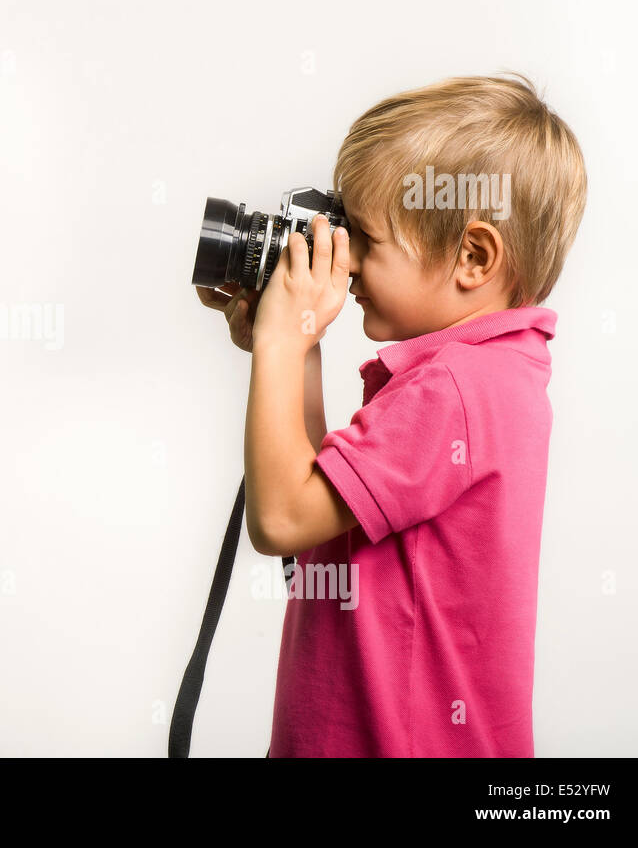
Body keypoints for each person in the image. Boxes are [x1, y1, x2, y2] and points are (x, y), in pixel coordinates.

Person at [197, 73, 587, 756]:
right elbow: (315, 535)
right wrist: (297, 351)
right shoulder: (489, 378)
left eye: (366, 241)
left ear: (472, 256)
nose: (344, 263)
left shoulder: (451, 392)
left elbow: (280, 518)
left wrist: (283, 341)